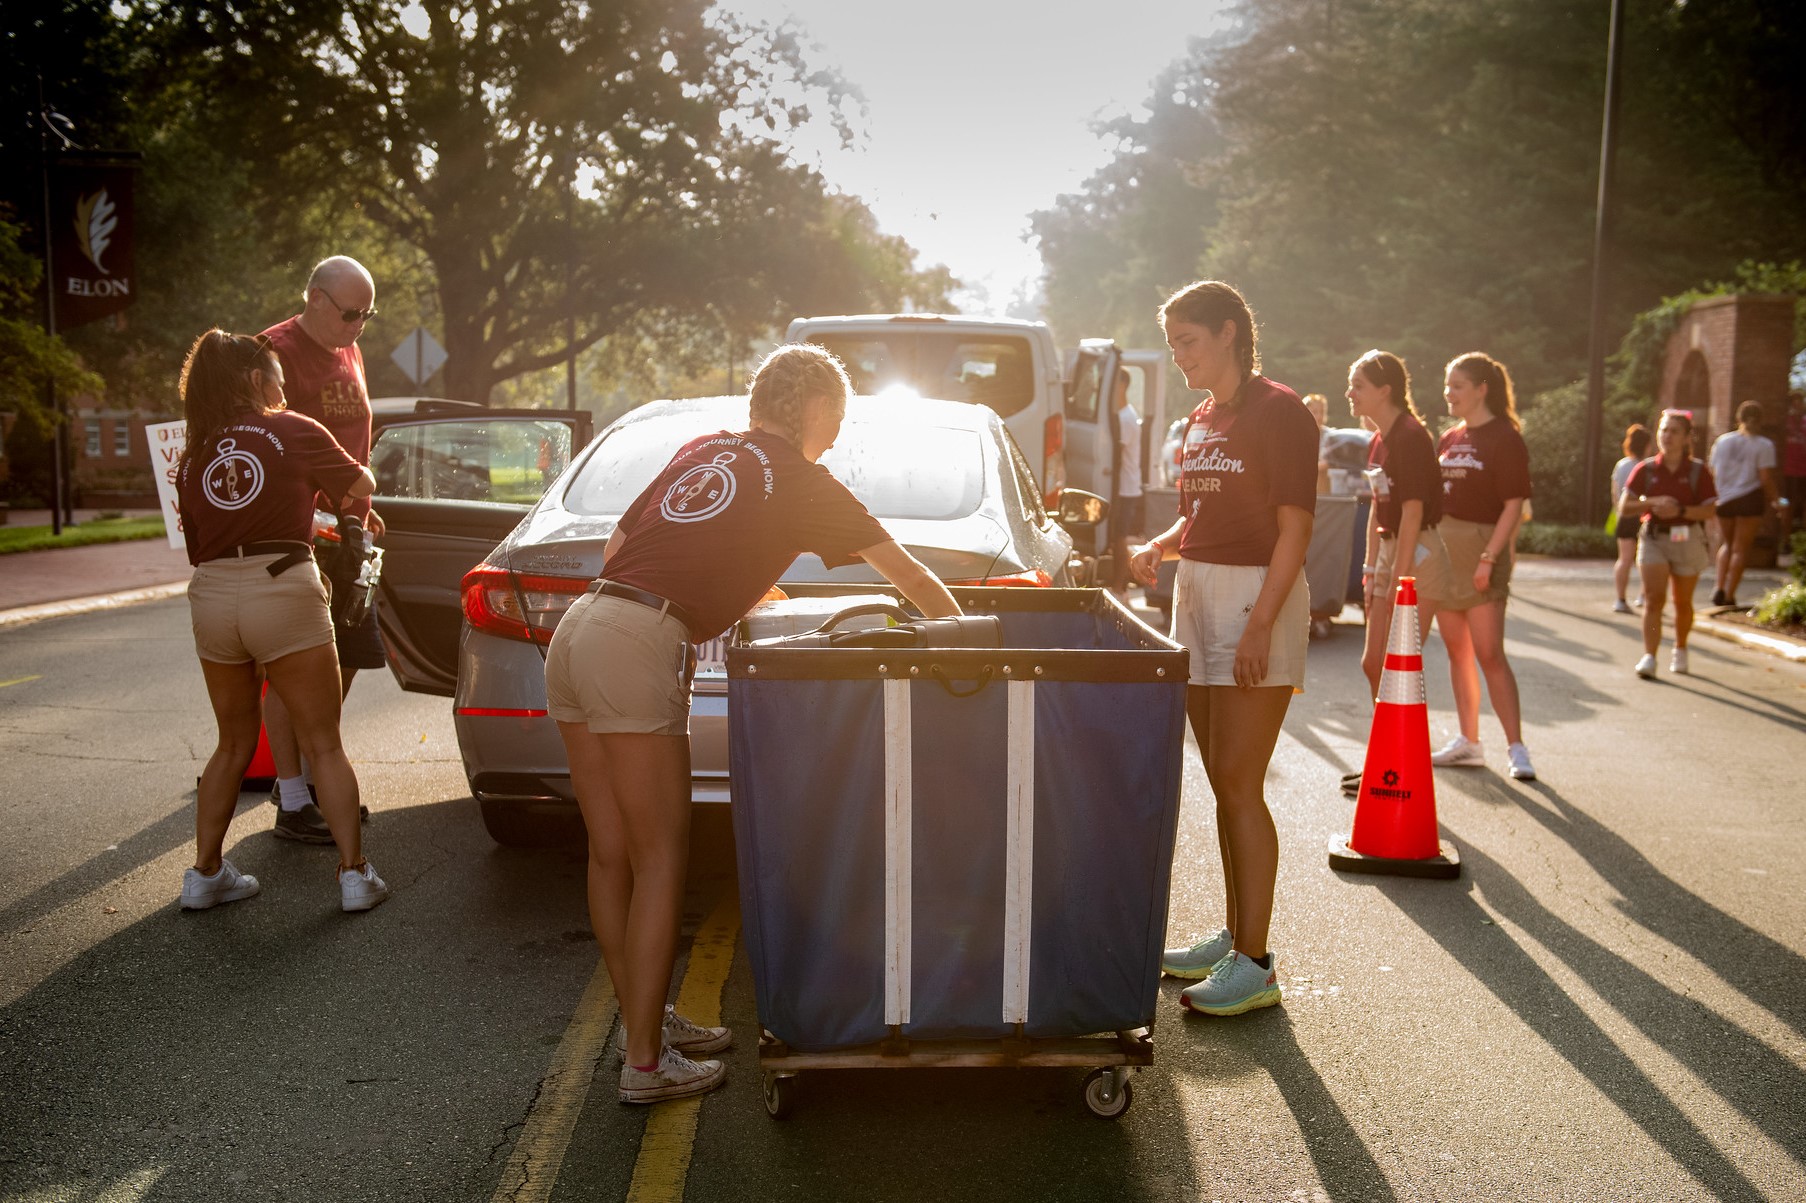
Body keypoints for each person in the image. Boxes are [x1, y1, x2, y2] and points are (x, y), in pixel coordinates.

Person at [547, 344, 962, 1102]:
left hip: (581, 628)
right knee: (662, 855)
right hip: (638, 644)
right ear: (809, 410)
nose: (836, 433)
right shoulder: (803, 480)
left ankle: (650, 1020)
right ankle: (643, 1064)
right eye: (834, 417)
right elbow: (909, 576)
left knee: (610, 853)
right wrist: (975, 645)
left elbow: (623, 547)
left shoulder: (706, 448)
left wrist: (739, 587)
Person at [1129, 280, 1316, 1017]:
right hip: (1197, 600)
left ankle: (1257, 963)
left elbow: (1293, 529)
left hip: (1251, 601)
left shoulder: (1281, 411)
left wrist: (1262, 622)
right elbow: (1202, 515)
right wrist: (1160, 544)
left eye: (1190, 341)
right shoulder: (1200, 417)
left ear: (1231, 332)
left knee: (1240, 783)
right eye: (1173, 342)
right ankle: (1235, 937)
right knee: (1220, 781)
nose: (1180, 357)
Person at [173, 330, 388, 912]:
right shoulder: (295, 429)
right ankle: (354, 875)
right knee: (323, 741)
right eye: (277, 379)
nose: (282, 389)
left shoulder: (192, 459)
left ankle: (204, 874)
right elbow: (362, 484)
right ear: (253, 381)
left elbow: (203, 545)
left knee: (232, 743)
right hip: (282, 584)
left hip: (214, 594)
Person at [259, 256, 383, 843]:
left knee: (349, 656)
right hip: (299, 534)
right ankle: (292, 797)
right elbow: (255, 442)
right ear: (314, 297)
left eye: (367, 315)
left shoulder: (349, 348)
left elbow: (351, 435)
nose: (358, 325)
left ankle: (317, 779)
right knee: (294, 671)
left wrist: (359, 506)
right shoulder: (273, 353)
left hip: (349, 531)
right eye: (350, 313)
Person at [1426, 353, 1535, 781]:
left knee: (1490, 653)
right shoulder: (1449, 437)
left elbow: (1514, 505)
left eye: (1457, 385)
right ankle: (1469, 741)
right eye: (1447, 385)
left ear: (1481, 389)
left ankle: (1516, 746)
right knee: (1458, 653)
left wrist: (1490, 557)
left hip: (1482, 553)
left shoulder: (1505, 437)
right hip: (1446, 554)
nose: (1448, 393)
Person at [1348, 350, 1454, 701]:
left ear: (1385, 390)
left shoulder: (1411, 436)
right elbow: (1379, 506)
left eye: (1358, 386)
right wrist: (1370, 569)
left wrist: (1399, 578)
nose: (1350, 393)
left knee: (1399, 665)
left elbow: (1412, 512)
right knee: (1372, 662)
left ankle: (1400, 751)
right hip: (1388, 550)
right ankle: (1388, 746)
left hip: (1418, 554)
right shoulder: (1378, 439)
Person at [1619, 409, 1716, 678]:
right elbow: (1624, 506)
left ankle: (1681, 648)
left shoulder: (1698, 471)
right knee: (1653, 599)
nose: (1667, 436)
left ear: (1686, 437)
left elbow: (1709, 511)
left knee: (1682, 602)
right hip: (1654, 537)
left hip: (1686, 537)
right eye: (1663, 430)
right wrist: (1653, 503)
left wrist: (1680, 510)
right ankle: (1649, 656)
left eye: (1674, 431)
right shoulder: (1646, 469)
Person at [1708, 400, 1781, 608]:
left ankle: (1719, 587)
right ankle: (1730, 594)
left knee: (1727, 544)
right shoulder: (1764, 445)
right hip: (1749, 498)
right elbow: (1765, 478)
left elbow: (1714, 471)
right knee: (1741, 549)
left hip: (1724, 498)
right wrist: (1776, 501)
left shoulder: (1722, 441)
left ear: (1738, 418)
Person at [1107, 368, 1146, 595]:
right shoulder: (1122, 416)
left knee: (1119, 538)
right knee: (1116, 538)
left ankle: (1119, 588)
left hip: (1125, 488)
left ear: (1121, 385)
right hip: (1120, 487)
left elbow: (1115, 454)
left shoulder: (1127, 418)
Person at [1610, 424, 1652, 613]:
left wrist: (1620, 510)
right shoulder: (1648, 466)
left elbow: (1615, 495)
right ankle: (1643, 597)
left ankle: (1620, 599)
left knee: (1624, 559)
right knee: (1647, 559)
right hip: (1644, 516)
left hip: (1624, 516)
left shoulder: (1622, 465)